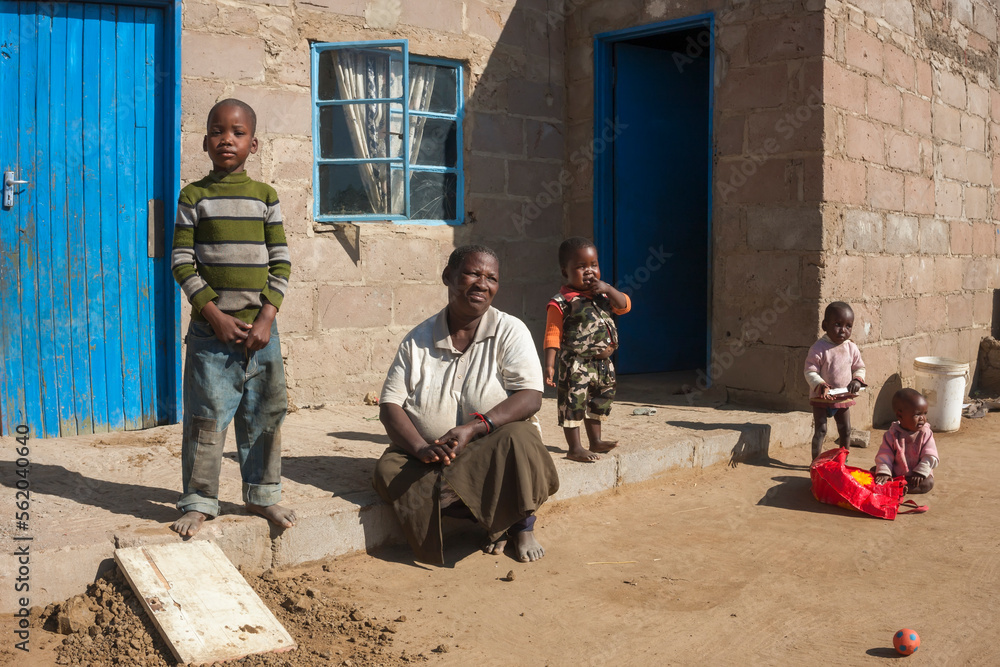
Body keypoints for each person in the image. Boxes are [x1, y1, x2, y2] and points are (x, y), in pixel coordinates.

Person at [373, 245, 559, 564]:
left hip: (492, 448)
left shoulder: (509, 331)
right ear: (449, 277)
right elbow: (390, 405)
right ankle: (487, 511)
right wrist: (419, 448)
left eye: (491, 278)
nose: (482, 284)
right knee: (387, 469)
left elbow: (531, 396)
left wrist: (475, 427)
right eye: (473, 273)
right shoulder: (417, 340)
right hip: (433, 456)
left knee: (521, 439)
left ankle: (520, 526)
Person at [169, 99, 295, 537]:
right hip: (211, 334)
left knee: (265, 413)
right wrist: (214, 315)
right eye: (218, 131)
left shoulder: (265, 197)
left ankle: (262, 496)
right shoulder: (194, 196)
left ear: (253, 143)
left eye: (238, 132)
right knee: (206, 418)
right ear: (205, 142)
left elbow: (281, 263)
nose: (227, 139)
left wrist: (266, 318)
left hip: (262, 335)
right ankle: (200, 501)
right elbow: (182, 262)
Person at [543, 237, 631, 462]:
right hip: (576, 364)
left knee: (599, 402)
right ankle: (575, 448)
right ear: (566, 272)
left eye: (593, 265)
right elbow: (552, 334)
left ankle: (596, 441)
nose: (589, 271)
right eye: (581, 267)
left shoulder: (603, 295)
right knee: (573, 403)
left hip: (603, 365)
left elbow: (624, 306)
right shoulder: (561, 302)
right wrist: (550, 365)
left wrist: (609, 288)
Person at [803, 301, 867, 460]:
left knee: (845, 429)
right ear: (825, 325)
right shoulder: (819, 348)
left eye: (848, 326)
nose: (843, 330)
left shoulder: (851, 348)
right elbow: (810, 371)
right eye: (838, 324)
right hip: (821, 397)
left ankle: (842, 462)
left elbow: (859, 367)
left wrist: (857, 380)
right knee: (821, 430)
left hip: (842, 397)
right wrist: (820, 385)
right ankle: (815, 463)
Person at [874, 388, 938, 493]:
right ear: (900, 415)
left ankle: (899, 488)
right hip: (896, 473)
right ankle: (894, 485)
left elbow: (930, 456)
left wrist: (921, 472)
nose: (922, 418)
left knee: (928, 483)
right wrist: (884, 472)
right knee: (875, 471)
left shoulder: (925, 433)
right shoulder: (892, 434)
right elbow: (885, 454)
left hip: (916, 477)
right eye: (917, 414)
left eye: (924, 413)